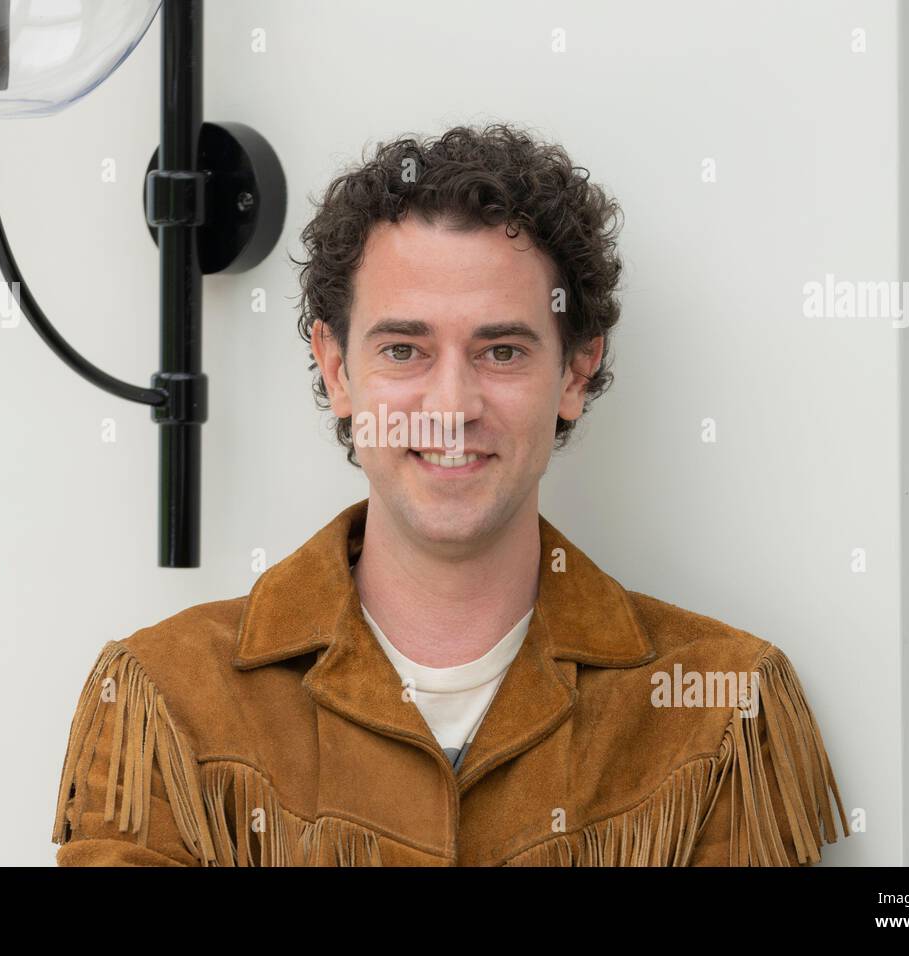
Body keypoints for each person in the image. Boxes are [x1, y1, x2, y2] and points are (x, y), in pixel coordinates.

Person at [50, 123, 850, 866]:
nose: (451, 407)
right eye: (405, 349)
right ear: (338, 371)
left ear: (575, 371)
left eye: (501, 351)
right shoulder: (168, 698)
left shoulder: (717, 711)